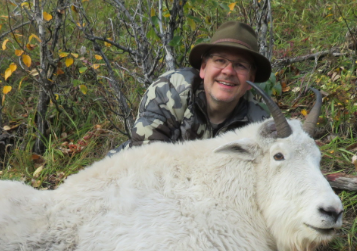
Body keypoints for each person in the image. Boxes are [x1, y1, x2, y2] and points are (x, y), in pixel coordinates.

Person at [108, 21, 272, 155]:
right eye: (220, 60)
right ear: (203, 67)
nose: (228, 71)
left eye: (240, 65)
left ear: (251, 77)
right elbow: (145, 160)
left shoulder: (258, 123)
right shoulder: (169, 92)